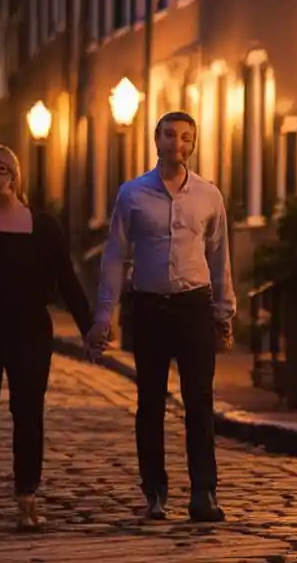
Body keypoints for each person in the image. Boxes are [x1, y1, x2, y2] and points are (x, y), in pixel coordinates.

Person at [89, 111, 236, 523]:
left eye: (186, 137)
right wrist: (106, 314)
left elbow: (220, 256)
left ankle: (204, 493)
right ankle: (154, 490)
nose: (177, 144)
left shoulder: (209, 196)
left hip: (194, 307)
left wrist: (224, 313)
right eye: (170, 135)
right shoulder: (132, 194)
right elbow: (116, 254)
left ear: (193, 144)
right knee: (149, 403)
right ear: (156, 139)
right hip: (149, 307)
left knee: (200, 404)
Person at [0, 144, 95, 531]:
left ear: (16, 174)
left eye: (3, 167)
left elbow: (68, 279)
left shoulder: (44, 226)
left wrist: (90, 327)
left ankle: (27, 497)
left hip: (29, 331)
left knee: (28, 412)